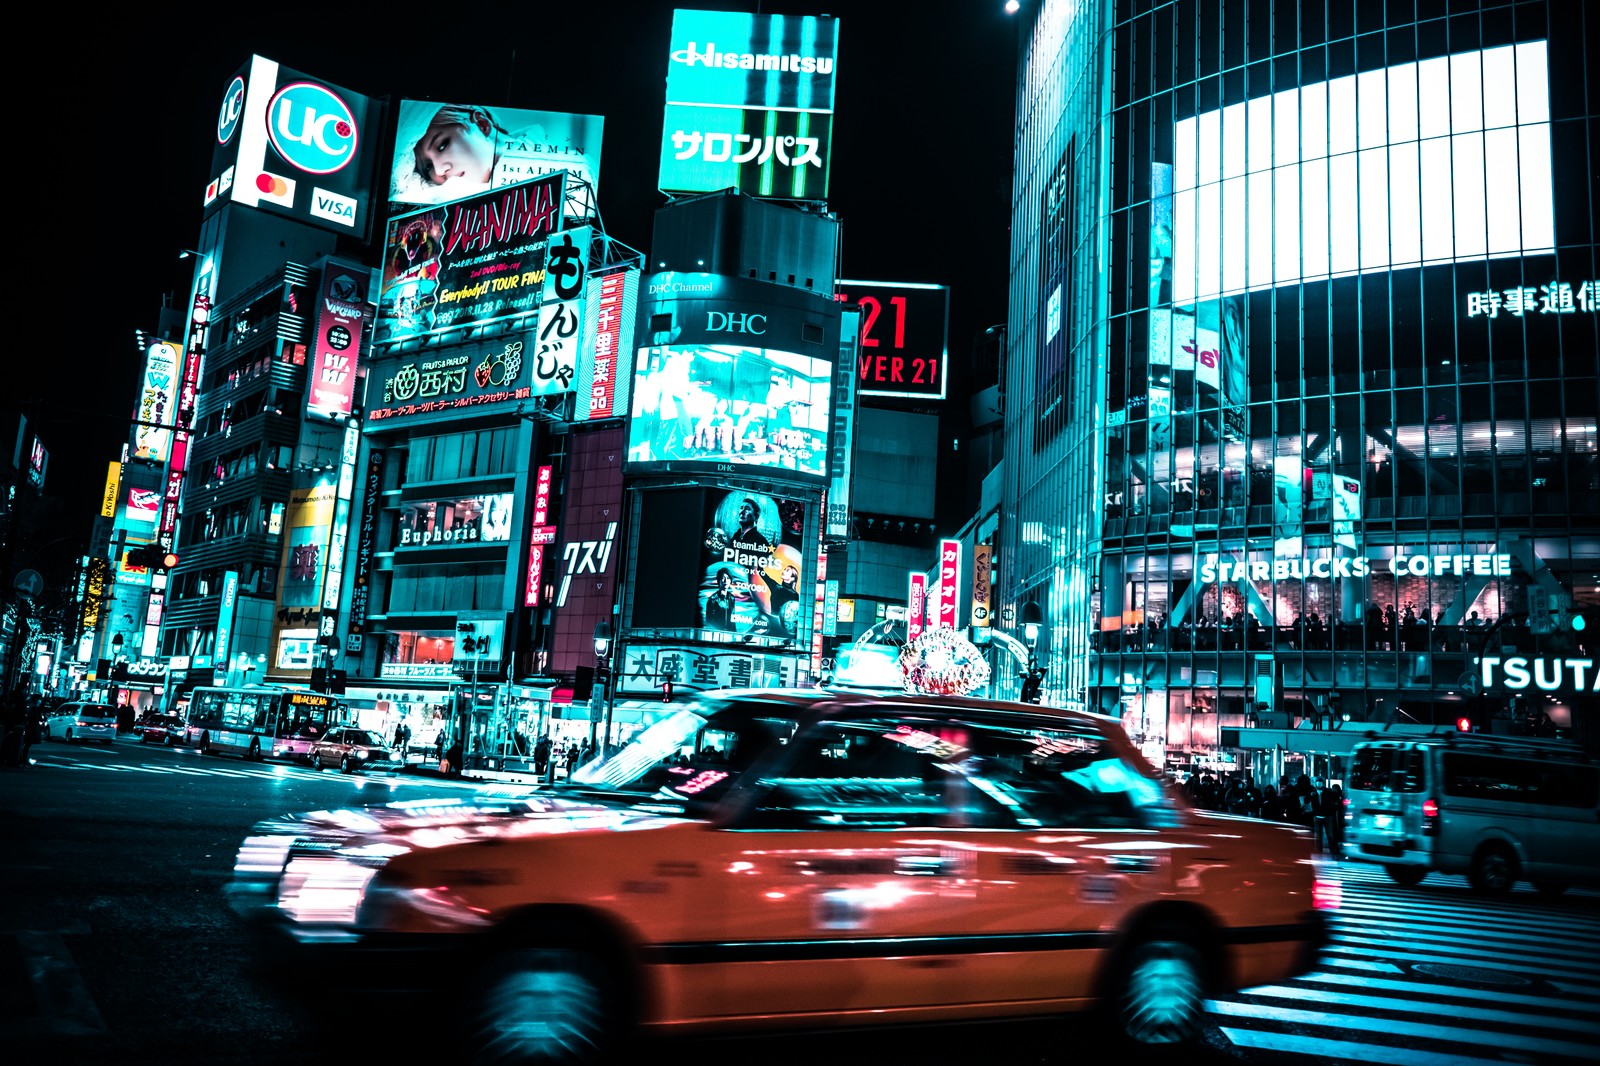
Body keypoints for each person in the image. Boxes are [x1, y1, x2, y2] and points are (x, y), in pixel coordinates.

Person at [703, 566, 739, 632]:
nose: (726, 581)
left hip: (729, 634)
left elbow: (733, 619)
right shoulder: (713, 599)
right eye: (723, 578)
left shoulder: (731, 598)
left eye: (728, 578)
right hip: (716, 633)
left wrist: (734, 634)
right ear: (719, 580)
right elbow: (709, 621)